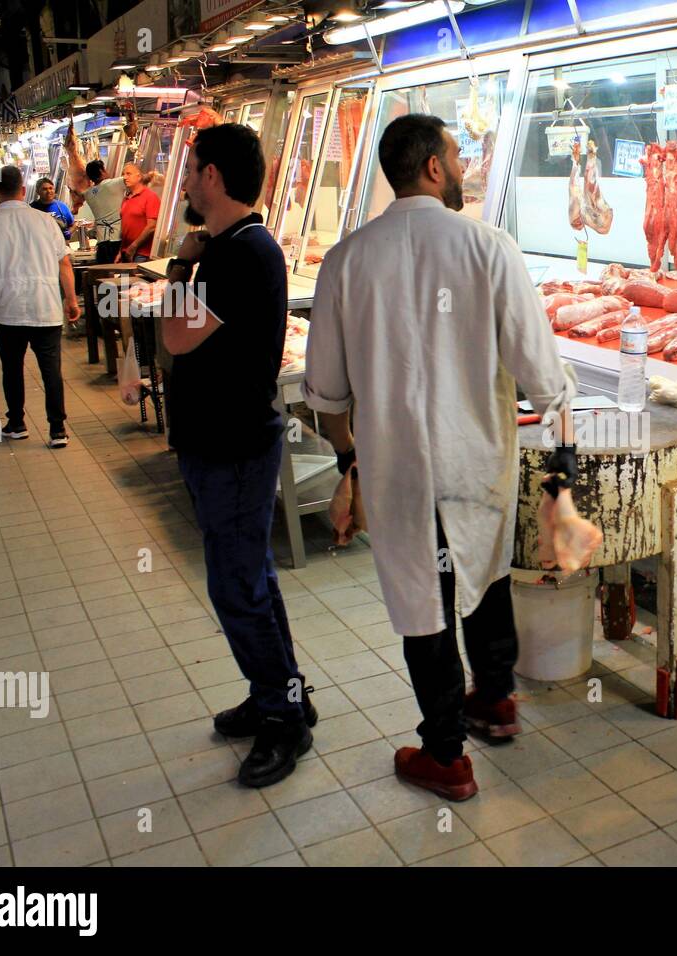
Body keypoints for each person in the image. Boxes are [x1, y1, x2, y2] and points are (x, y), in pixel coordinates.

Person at [303, 113, 578, 802]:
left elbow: (327, 395)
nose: (464, 169)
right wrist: (562, 469)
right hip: (476, 458)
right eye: (457, 156)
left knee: (423, 600)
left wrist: (349, 465)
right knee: (482, 572)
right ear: (433, 167)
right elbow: (544, 375)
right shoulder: (490, 247)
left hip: (399, 469)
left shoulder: (347, 260)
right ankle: (495, 700)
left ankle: (447, 753)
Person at [157, 123, 310, 789]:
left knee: (237, 588)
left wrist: (179, 265)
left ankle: (284, 721)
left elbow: (175, 337)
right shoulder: (237, 247)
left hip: (234, 449)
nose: (187, 183)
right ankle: (279, 694)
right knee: (253, 581)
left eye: (192, 170)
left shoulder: (236, 255)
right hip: (225, 444)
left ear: (214, 178)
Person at [0, 166, 79, 447]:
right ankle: (57, 430)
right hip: (46, 307)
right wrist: (71, 299)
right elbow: (64, 263)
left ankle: (17, 423)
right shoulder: (46, 222)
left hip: (7, 309)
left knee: (12, 367)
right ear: (23, 190)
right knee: (51, 370)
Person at [65, 130, 157, 264]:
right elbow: (136, 179)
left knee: (105, 274)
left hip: (102, 242)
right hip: (116, 240)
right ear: (102, 171)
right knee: (119, 275)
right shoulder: (112, 184)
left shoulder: (89, 194)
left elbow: (79, 191)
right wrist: (153, 175)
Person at [117, 162, 160, 262]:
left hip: (141, 254)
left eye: (128, 174)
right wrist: (120, 252)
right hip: (126, 252)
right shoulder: (126, 199)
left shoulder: (150, 197)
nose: (124, 177)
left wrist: (134, 246)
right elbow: (124, 228)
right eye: (123, 174)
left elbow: (152, 226)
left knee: (135, 278)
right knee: (124, 277)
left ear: (139, 176)